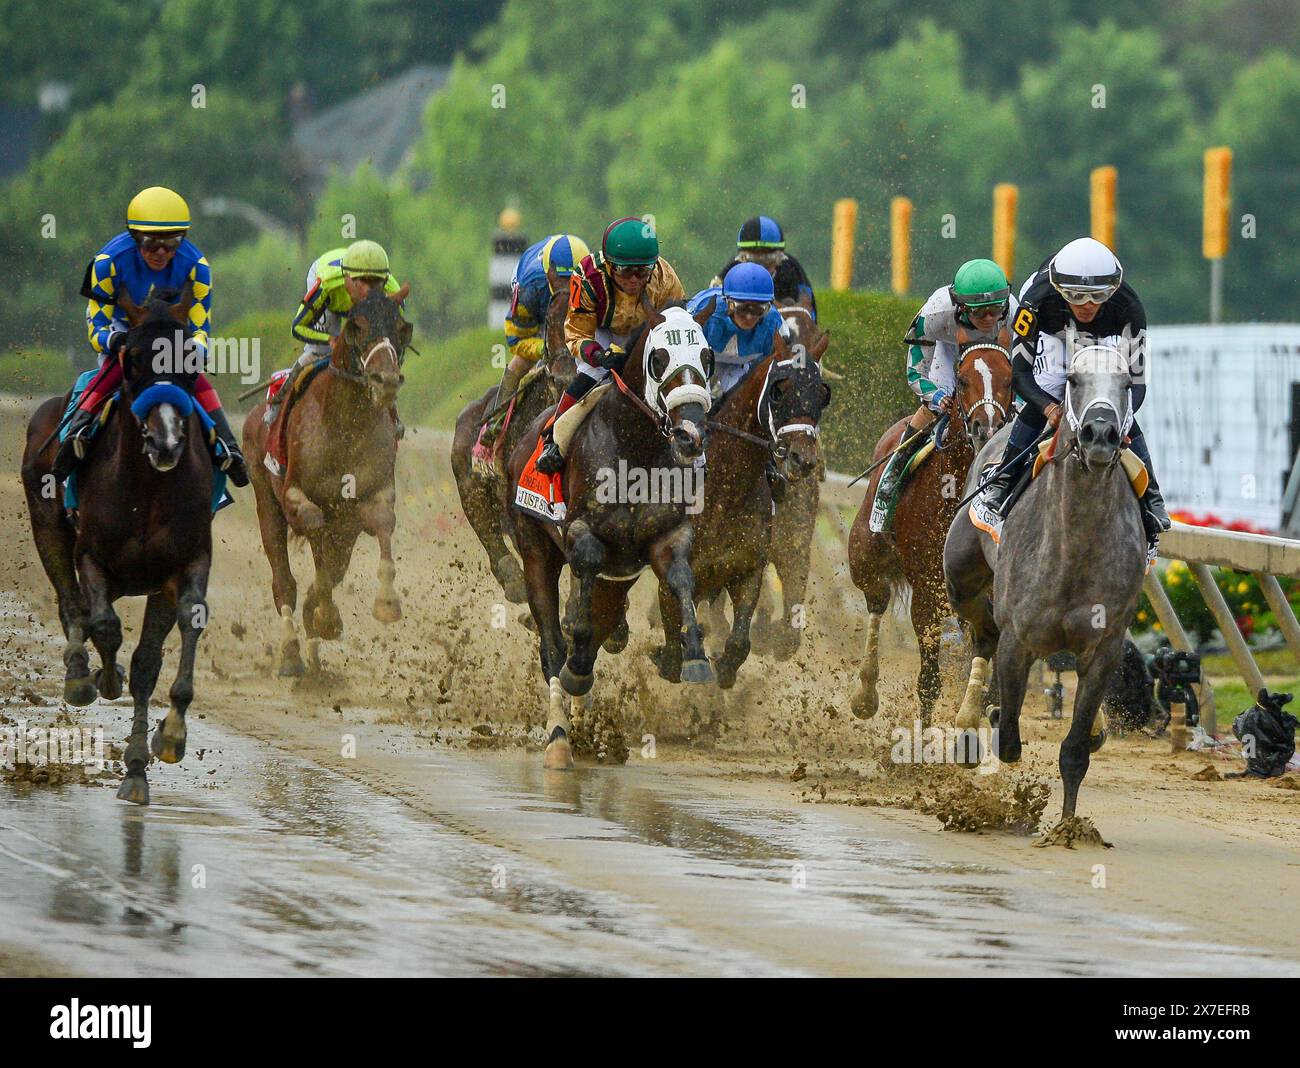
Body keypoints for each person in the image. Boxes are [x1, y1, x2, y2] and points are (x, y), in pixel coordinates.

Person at [54, 186, 249, 486]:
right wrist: (114, 341)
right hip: (123, 331)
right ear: (135, 238)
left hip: (170, 334)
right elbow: (97, 325)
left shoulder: (198, 266)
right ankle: (78, 432)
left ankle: (227, 446)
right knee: (116, 368)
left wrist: (196, 348)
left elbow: (200, 325)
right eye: (151, 244)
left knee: (192, 374)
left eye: (172, 244)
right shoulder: (107, 262)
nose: (162, 253)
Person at [980, 236, 1169, 536]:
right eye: (1075, 296)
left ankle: (1153, 498)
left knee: (1110, 394)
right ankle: (1004, 478)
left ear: (1112, 290)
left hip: (1102, 339)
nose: (1086, 306)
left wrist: (1119, 420)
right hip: (1051, 332)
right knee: (1053, 385)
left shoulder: (1130, 306)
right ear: (1059, 289)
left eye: (1096, 297)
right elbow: (1021, 376)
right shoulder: (1035, 301)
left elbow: (1135, 384)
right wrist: (1050, 408)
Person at [869, 258, 1012, 532]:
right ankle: (892, 476)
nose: (989, 319)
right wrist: (935, 397)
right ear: (959, 307)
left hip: (996, 361)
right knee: (937, 408)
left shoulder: (1014, 311)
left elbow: (1025, 369)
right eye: (979, 313)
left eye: (995, 310)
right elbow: (915, 372)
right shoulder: (935, 313)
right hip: (949, 355)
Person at [534, 217, 685, 474]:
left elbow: (678, 321)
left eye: (643, 271)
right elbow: (576, 333)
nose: (635, 279)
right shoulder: (589, 276)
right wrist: (599, 356)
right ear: (608, 264)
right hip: (601, 331)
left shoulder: (665, 277)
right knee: (590, 374)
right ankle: (553, 441)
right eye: (626, 271)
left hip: (647, 333)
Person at [268, 239, 406, 432]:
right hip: (330, 300)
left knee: (380, 351)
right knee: (320, 351)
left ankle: (393, 415)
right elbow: (298, 327)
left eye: (377, 283)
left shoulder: (391, 289)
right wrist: (329, 339)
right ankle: (279, 403)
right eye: (364, 282)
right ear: (350, 279)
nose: (371, 290)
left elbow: (397, 336)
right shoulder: (327, 284)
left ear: (385, 281)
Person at [480, 232, 589, 447]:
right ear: (550, 276)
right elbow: (516, 340)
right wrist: (547, 348)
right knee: (521, 362)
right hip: (536, 306)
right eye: (561, 282)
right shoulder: (530, 286)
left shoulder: (595, 279)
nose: (566, 288)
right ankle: (496, 420)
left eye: (572, 282)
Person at [686, 262, 783, 396]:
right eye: (742, 308)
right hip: (699, 360)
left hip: (743, 366)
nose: (749, 316)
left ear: (767, 309)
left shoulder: (775, 325)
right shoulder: (704, 315)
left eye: (758, 310)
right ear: (728, 303)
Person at [713, 215, 817, 319]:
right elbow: (715, 303)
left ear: (779, 260)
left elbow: (807, 310)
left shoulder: (791, 268)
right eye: (753, 263)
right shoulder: (732, 270)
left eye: (768, 262)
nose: (760, 270)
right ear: (741, 259)